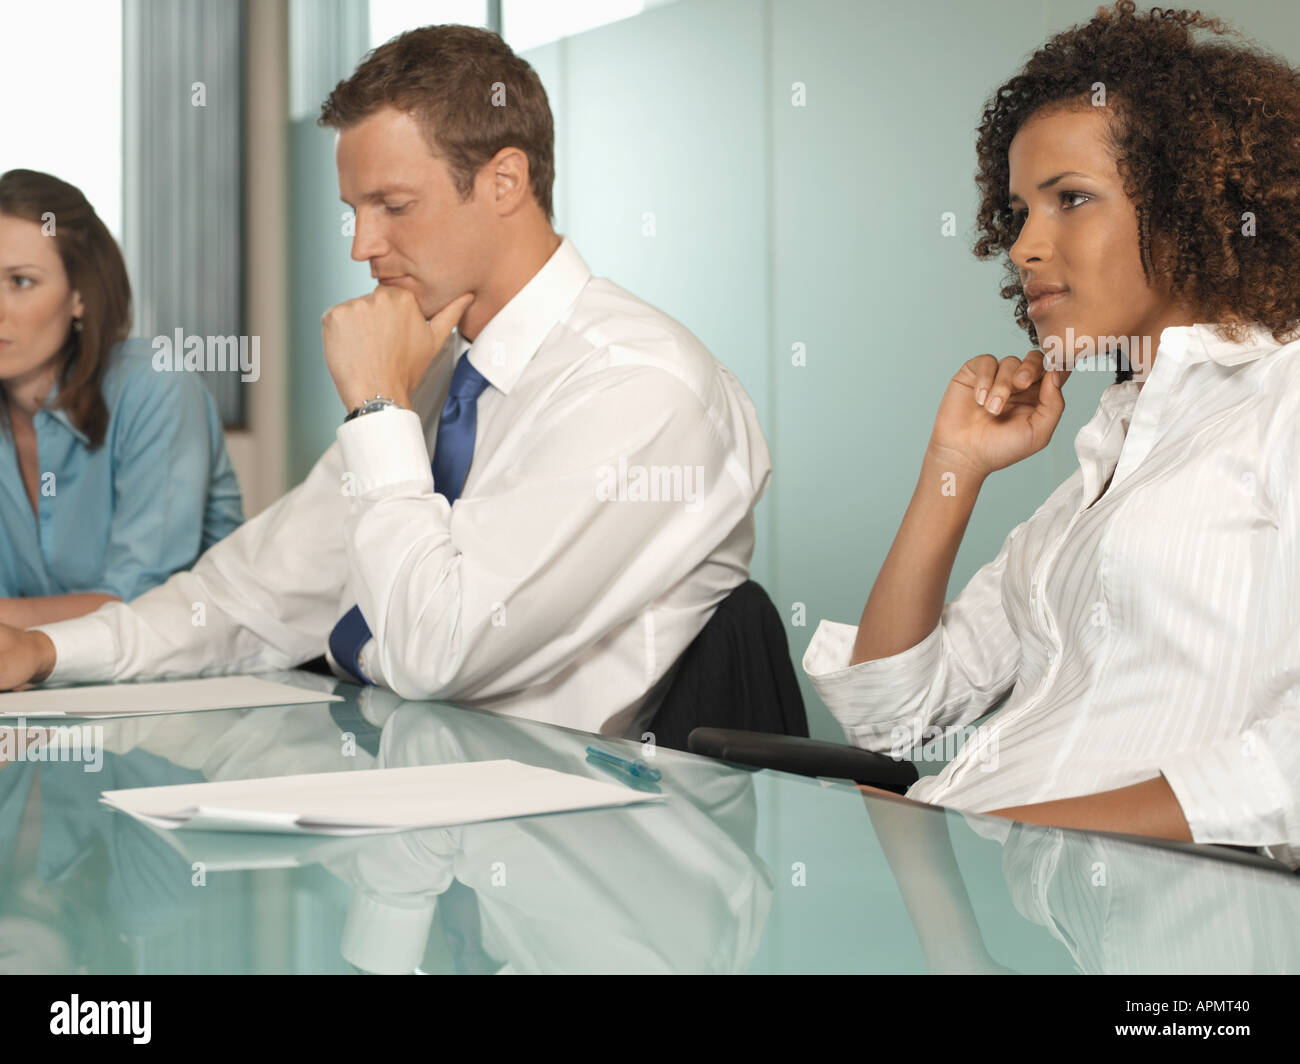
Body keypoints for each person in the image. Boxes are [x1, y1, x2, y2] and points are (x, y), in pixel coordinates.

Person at [0, 26, 771, 739]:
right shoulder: (434, 372)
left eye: (394, 206)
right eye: (354, 211)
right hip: (384, 768)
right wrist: (44, 650)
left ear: (506, 180)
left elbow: (440, 651)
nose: (364, 245)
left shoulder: (636, 388)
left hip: (531, 828)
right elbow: (249, 599)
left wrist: (377, 407)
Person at [802, 1, 1300, 856]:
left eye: (1070, 199)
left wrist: (992, 828)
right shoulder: (1107, 465)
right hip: (999, 889)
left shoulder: (1281, 401)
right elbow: (894, 718)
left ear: (1191, 202)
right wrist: (950, 468)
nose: (1026, 246)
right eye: (1020, 212)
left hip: (1149, 936)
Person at [0, 169, 243, 629]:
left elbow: (140, 601)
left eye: (21, 281)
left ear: (79, 295)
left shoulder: (155, 384)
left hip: (206, 683)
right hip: (51, 683)